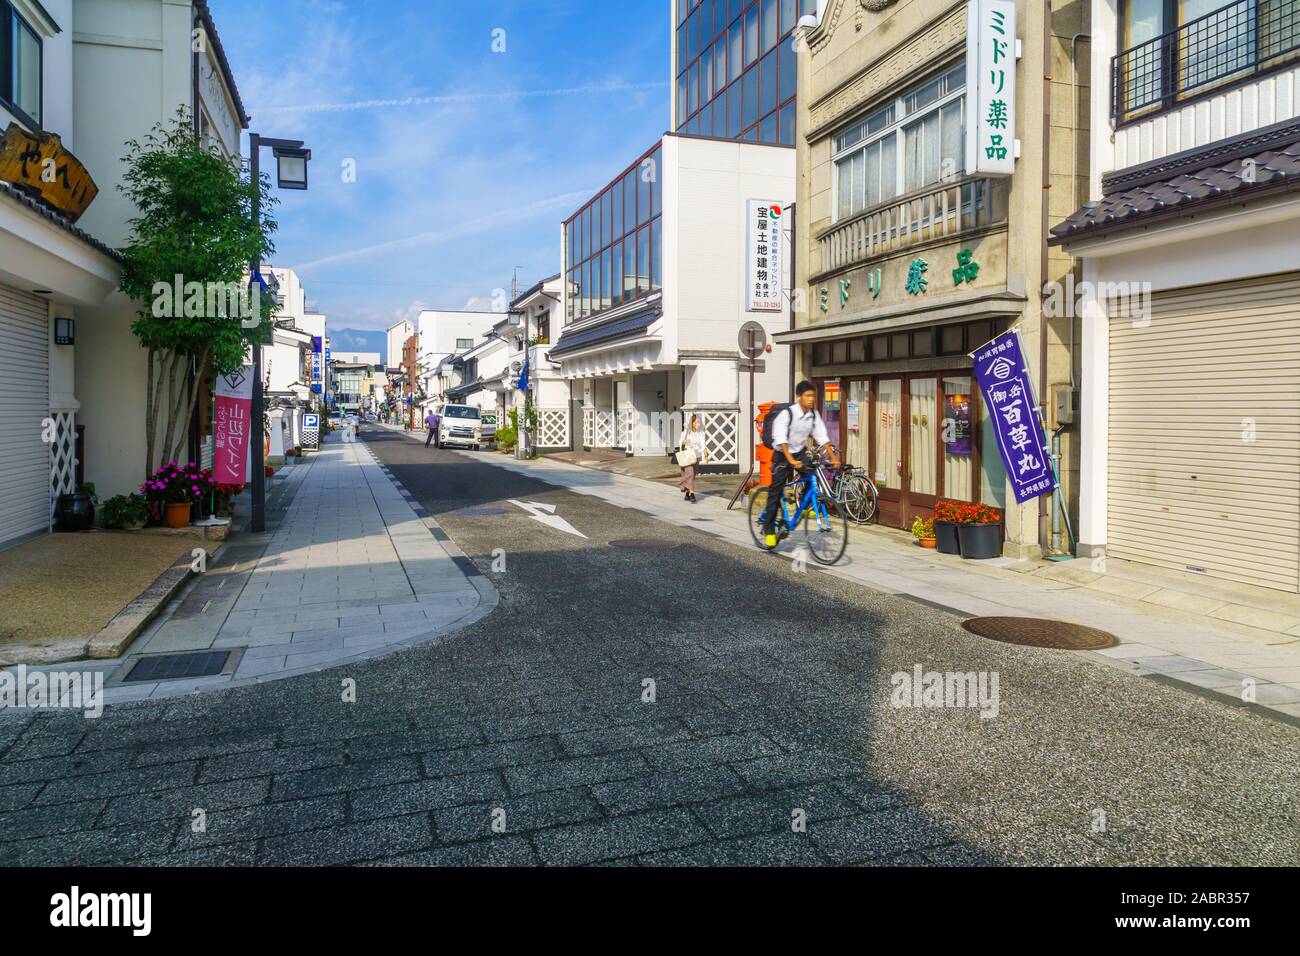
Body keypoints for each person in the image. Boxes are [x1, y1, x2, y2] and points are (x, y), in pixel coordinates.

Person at [760, 380, 841, 548]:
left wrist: (833, 457)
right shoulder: (787, 414)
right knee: (775, 490)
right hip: (783, 454)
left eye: (813, 396)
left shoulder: (813, 415)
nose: (811, 399)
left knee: (811, 475)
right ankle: (769, 530)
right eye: (807, 396)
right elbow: (781, 439)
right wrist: (790, 460)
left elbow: (822, 436)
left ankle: (803, 505)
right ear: (799, 397)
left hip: (799, 451)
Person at [677, 414, 708, 503]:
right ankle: (692, 493)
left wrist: (706, 454)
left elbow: (703, 444)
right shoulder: (686, 432)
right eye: (696, 422)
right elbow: (681, 442)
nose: (698, 424)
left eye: (699, 422)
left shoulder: (701, 433)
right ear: (692, 423)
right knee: (690, 474)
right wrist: (683, 442)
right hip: (688, 456)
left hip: (696, 456)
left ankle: (687, 493)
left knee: (693, 475)